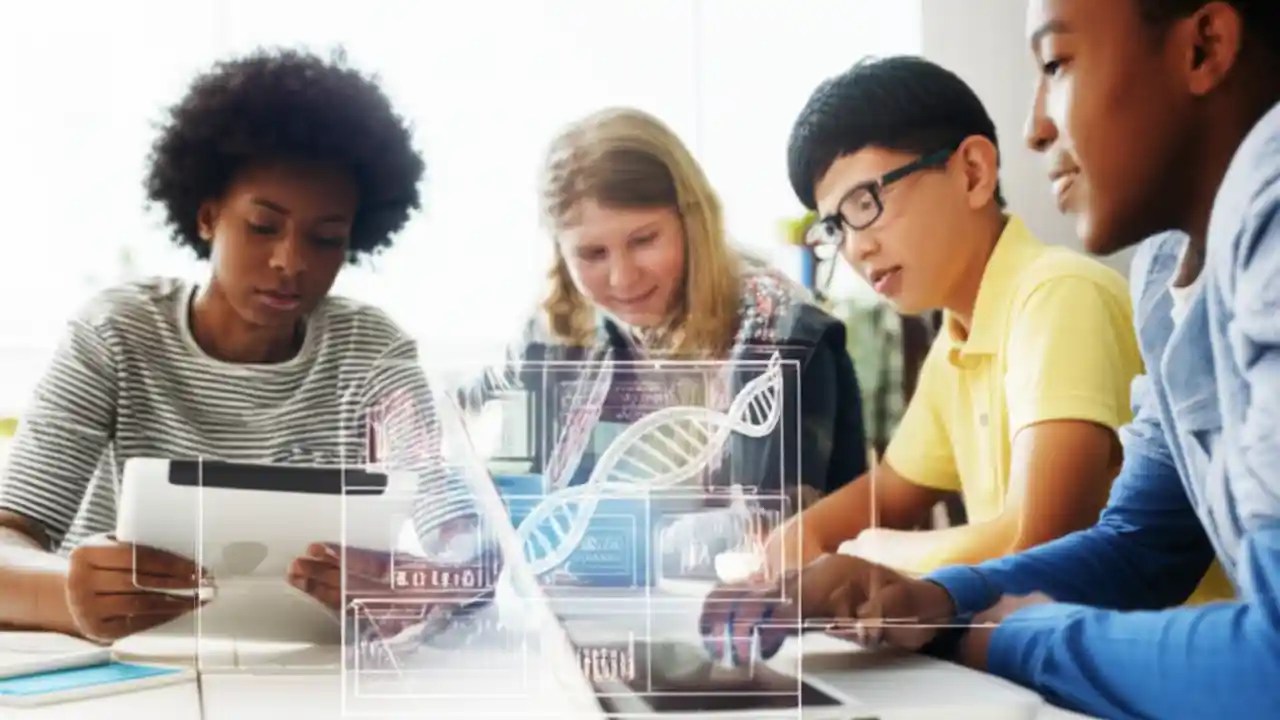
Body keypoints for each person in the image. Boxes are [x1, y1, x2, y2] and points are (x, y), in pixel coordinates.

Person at [710, 1, 1280, 718]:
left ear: (1203, 47)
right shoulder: (1166, 276)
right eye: (835, 226)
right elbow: (1142, 545)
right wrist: (942, 599)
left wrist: (996, 631)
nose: (1037, 127)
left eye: (1056, 64)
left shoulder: (1243, 222)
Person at [0, 49, 449, 642]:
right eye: (263, 227)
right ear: (208, 216)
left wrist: (427, 586)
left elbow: (458, 533)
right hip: (126, 667)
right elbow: (11, 536)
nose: (291, 262)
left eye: (326, 238)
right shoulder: (117, 333)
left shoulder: (373, 353)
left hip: (307, 673)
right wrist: (67, 595)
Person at [762, 56, 1142, 577]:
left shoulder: (1058, 293)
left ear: (972, 173)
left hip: (1156, 652)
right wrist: (793, 542)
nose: (856, 247)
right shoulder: (958, 339)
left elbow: (1036, 538)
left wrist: (868, 551)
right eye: (835, 227)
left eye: (865, 202)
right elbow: (888, 492)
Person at [462, 107, 868, 503]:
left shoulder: (779, 332)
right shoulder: (554, 330)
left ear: (693, 222)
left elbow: (773, 533)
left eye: (643, 241)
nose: (623, 278)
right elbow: (508, 497)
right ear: (560, 253)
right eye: (592, 254)